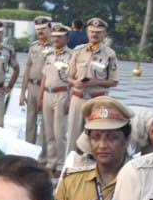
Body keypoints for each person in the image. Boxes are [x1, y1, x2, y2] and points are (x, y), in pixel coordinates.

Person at [66, 17, 118, 156]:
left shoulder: (109, 54)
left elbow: (114, 81)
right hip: (78, 99)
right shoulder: (78, 51)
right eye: (91, 31)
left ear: (104, 34)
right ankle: (70, 169)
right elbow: (68, 76)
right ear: (87, 32)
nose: (94, 34)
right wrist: (74, 82)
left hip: (97, 101)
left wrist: (94, 82)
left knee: (94, 137)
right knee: (72, 137)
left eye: (98, 32)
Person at [40, 23, 72, 170]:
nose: (56, 39)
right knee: (48, 132)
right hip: (47, 93)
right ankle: (50, 161)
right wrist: (40, 97)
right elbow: (44, 77)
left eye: (60, 36)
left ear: (67, 37)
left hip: (61, 94)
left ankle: (59, 164)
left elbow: (73, 79)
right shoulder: (49, 54)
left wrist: (69, 100)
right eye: (54, 36)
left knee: (60, 132)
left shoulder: (71, 55)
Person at [21, 16, 53, 147]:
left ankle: (43, 152)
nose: (40, 32)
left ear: (50, 29)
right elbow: (27, 69)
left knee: (46, 122)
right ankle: (29, 149)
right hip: (32, 86)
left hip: (46, 89)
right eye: (38, 29)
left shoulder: (55, 47)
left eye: (43, 29)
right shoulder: (34, 46)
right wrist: (23, 92)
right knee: (30, 121)